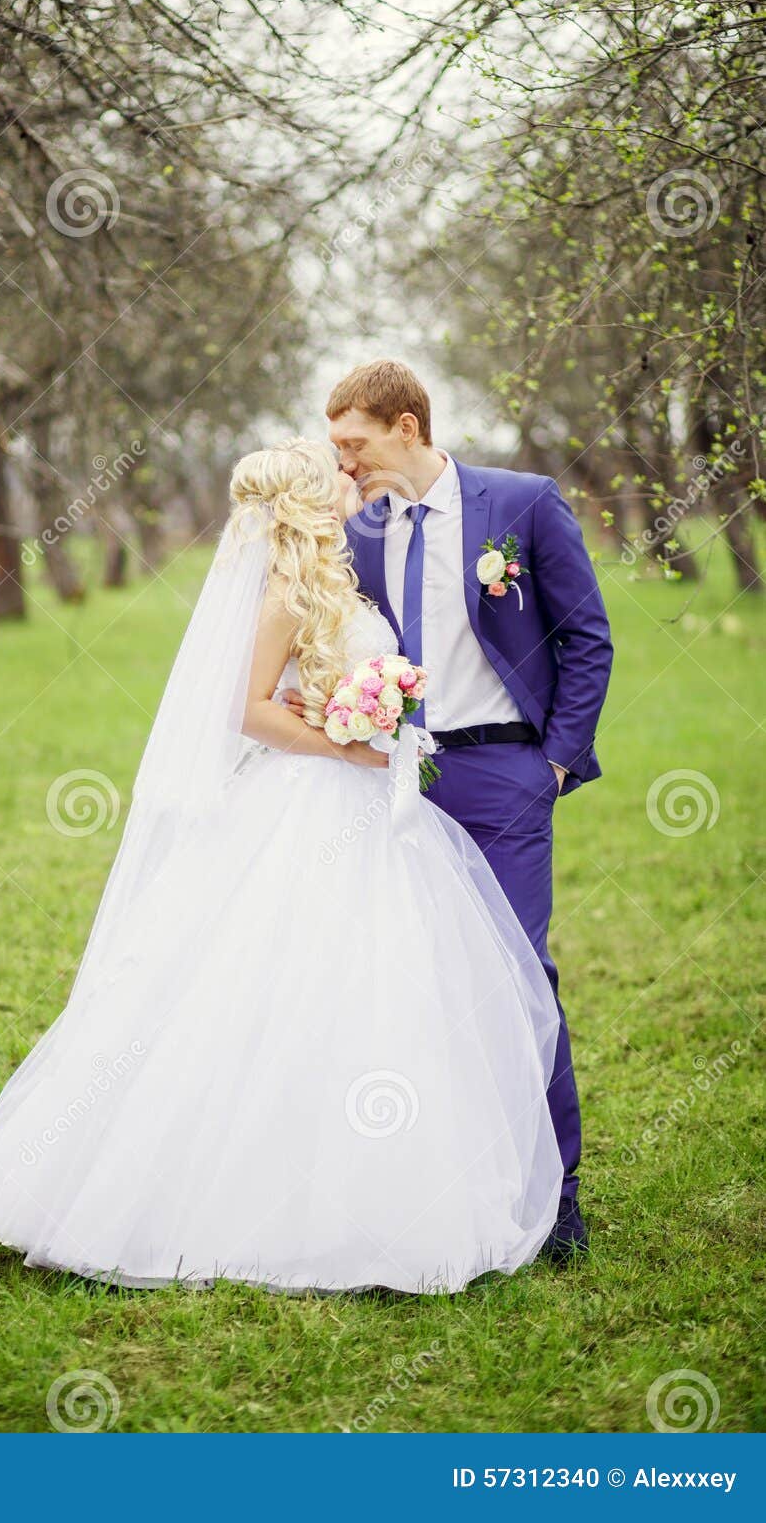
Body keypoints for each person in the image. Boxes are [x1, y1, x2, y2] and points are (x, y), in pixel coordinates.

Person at [0, 440, 563, 1294]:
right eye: (339, 474)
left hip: (368, 806)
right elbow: (244, 711)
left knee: (377, 988)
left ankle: (379, 1188)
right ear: (310, 499)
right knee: (272, 979)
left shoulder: (339, 578)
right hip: (308, 802)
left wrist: (374, 723)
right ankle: (233, 1202)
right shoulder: (282, 591)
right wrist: (344, 746)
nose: (355, 480)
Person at [310, 360, 614, 1261]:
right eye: (335, 448)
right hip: (395, 782)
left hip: (505, 775)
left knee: (517, 976)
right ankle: (448, 1185)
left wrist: (554, 763)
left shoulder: (519, 504)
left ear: (407, 426)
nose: (346, 462)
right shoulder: (360, 531)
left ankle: (556, 1195)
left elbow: (586, 635)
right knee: (411, 981)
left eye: (354, 443)